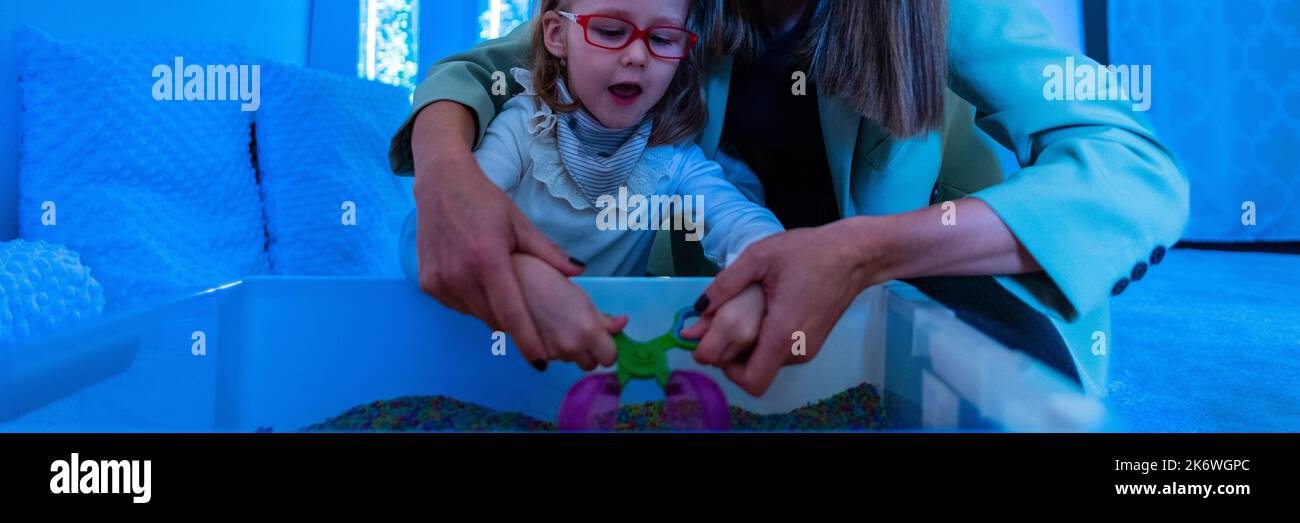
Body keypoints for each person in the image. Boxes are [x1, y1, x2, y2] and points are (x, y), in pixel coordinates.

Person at [390, 0, 1190, 397]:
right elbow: (490, 69)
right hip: (738, 297)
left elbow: (1137, 172)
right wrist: (446, 177)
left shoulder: (954, 10)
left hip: (933, 279)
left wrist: (866, 252)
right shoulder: (673, 5)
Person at [398, 0, 783, 373]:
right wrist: (519, 274)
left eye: (663, 39)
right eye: (610, 31)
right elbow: (430, 236)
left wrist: (758, 280)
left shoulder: (675, 159)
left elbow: (742, 223)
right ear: (556, 35)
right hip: (487, 352)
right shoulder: (523, 128)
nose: (637, 56)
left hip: (600, 366)